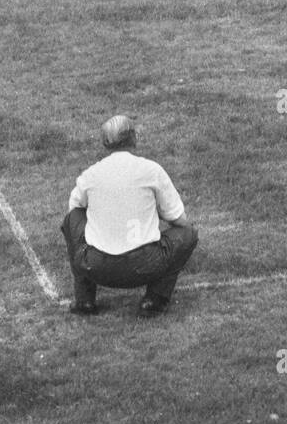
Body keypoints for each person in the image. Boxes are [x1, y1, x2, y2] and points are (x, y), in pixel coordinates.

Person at [60, 114, 198, 317]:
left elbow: (73, 211)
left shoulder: (90, 175)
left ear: (105, 143)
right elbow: (179, 219)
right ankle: (155, 300)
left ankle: (85, 300)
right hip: (145, 266)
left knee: (72, 220)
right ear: (133, 138)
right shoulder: (152, 170)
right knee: (188, 234)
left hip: (96, 266)